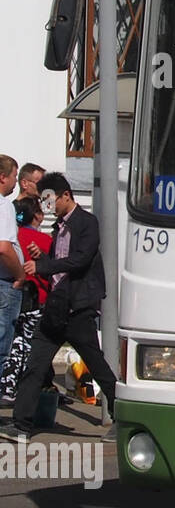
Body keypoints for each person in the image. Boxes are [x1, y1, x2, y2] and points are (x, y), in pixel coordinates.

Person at [4, 173, 117, 440]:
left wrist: (43, 264)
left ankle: (122, 418)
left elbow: (79, 261)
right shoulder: (58, 229)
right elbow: (58, 269)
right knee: (35, 364)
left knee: (97, 365)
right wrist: (42, 258)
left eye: (49, 199)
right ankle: (21, 425)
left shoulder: (86, 223)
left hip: (78, 309)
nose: (47, 206)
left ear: (65, 195)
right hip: (55, 309)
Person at [0, 196, 52, 405]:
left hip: (14, 291)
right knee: (25, 345)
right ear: (37, 216)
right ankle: (18, 388)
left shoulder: (15, 235)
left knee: (11, 343)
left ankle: (7, 386)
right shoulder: (43, 241)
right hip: (31, 297)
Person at [0, 156, 25, 370]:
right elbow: (4, 248)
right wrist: (20, 275)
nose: (15, 182)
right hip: (4, 282)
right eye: (14, 176)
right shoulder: (3, 206)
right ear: (2, 178)